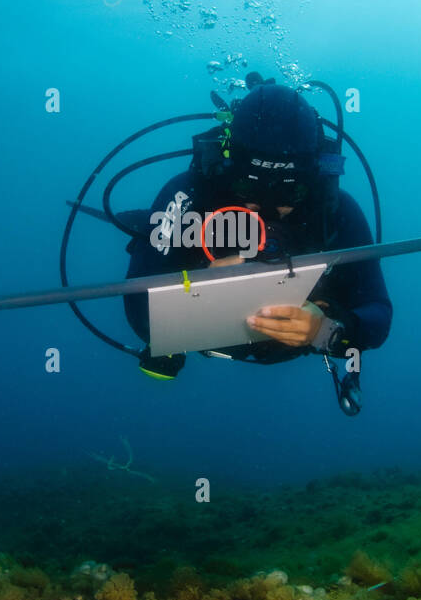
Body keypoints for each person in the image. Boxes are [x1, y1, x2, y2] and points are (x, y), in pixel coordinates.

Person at [123, 79, 392, 380]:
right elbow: (136, 304)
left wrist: (325, 329)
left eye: (286, 193)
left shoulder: (336, 210)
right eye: (247, 187)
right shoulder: (188, 193)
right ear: (227, 166)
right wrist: (196, 292)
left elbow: (377, 312)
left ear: (313, 177)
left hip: (284, 353)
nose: (264, 209)